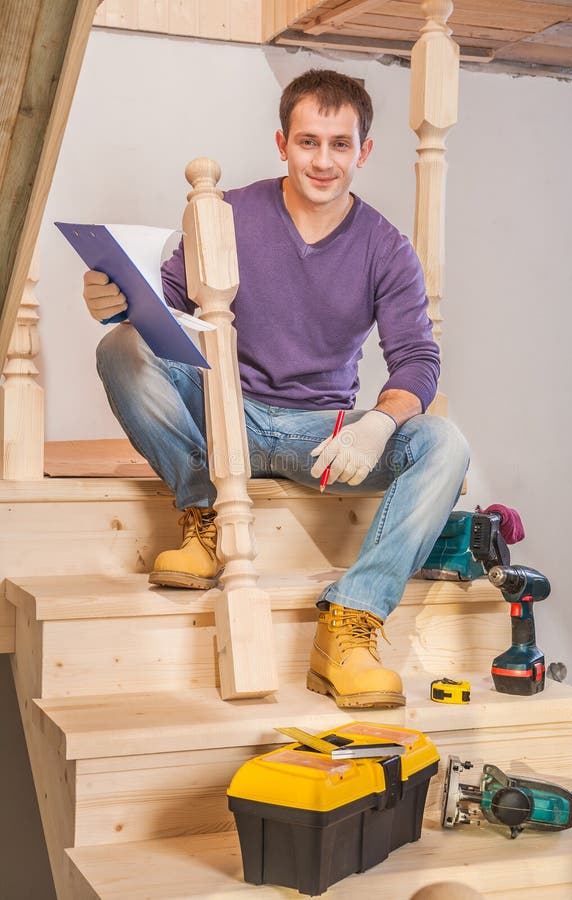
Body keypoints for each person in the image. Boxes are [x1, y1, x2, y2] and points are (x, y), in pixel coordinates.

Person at [83, 69, 469, 710]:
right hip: (224, 413)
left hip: (328, 436)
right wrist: (111, 303)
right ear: (281, 143)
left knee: (444, 443)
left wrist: (377, 423)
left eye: (340, 144)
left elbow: (417, 361)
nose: (323, 160)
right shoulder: (228, 213)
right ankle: (204, 517)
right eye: (308, 141)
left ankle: (350, 626)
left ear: (363, 151)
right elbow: (169, 313)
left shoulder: (386, 248)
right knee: (119, 346)